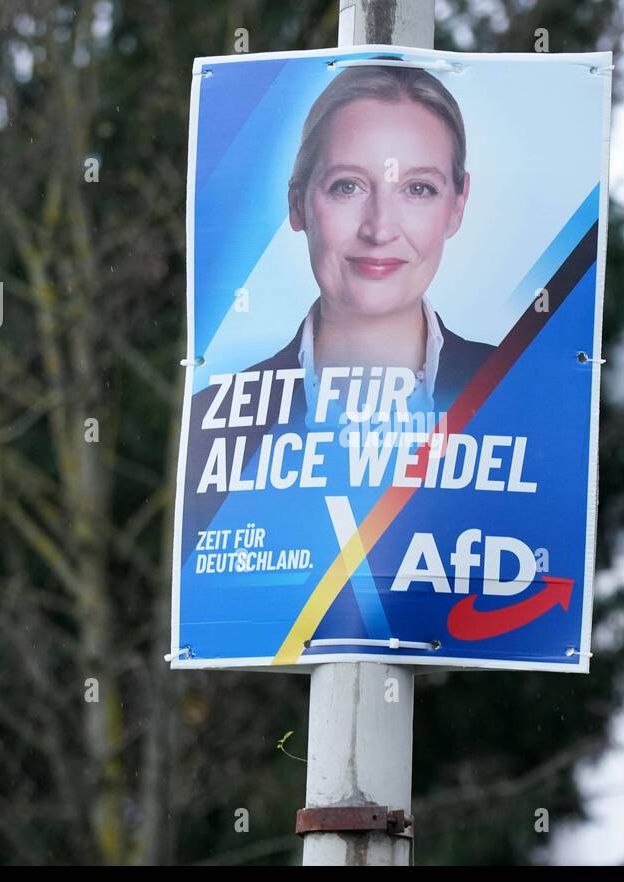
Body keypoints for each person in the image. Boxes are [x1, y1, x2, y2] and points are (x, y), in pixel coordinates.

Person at [182, 62, 494, 560]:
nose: (379, 228)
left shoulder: (517, 393)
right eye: (348, 186)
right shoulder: (215, 424)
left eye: (418, 189)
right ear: (298, 203)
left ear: (457, 205)